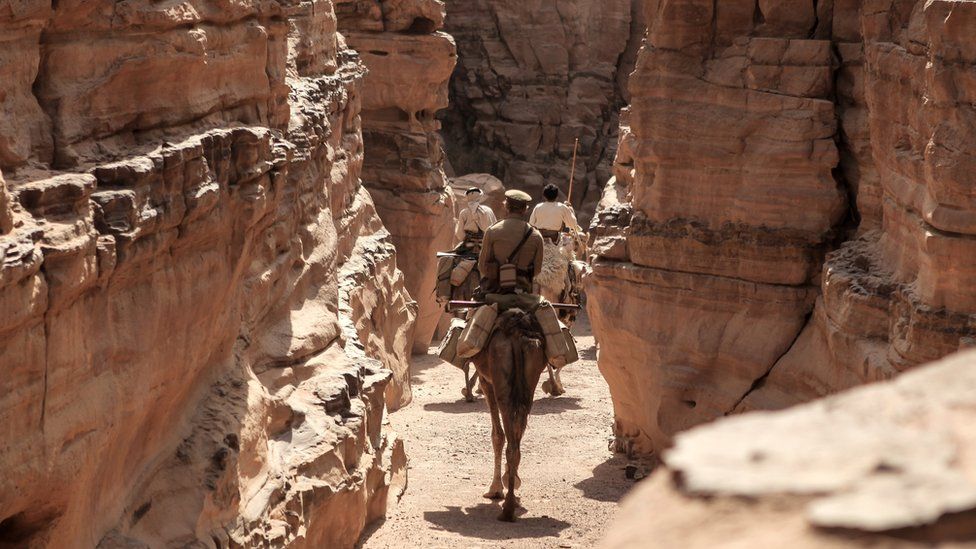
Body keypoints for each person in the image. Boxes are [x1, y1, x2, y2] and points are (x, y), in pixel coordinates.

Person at [478, 190, 544, 295]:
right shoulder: (535, 235)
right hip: (524, 293)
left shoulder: (492, 230)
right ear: (524, 209)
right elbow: (537, 270)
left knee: (473, 311)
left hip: (495, 292)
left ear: (506, 206)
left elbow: (482, 266)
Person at [455, 187, 497, 254]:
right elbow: (495, 229)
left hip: (468, 245)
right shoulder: (488, 210)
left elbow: (459, 234)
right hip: (485, 245)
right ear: (480, 197)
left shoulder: (464, 213)